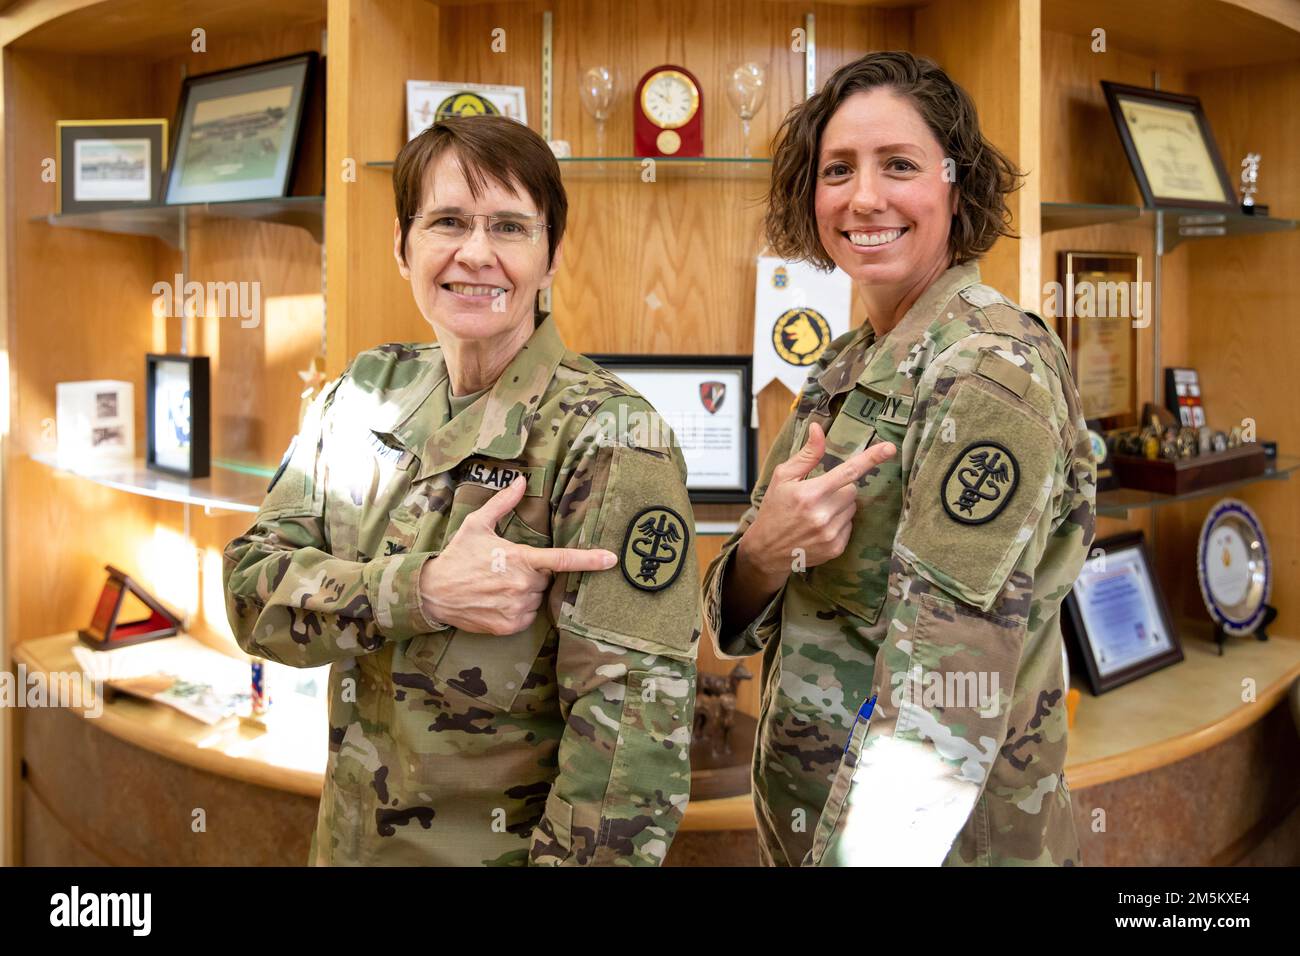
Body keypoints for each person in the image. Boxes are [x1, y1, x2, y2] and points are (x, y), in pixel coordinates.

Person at [224, 116, 700, 866]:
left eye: (509, 226)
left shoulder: (611, 440)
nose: (475, 253)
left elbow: (630, 756)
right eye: (447, 221)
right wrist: (424, 593)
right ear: (401, 245)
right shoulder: (361, 393)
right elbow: (251, 599)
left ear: (551, 257)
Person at [702, 52, 1095, 866]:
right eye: (837, 169)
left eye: (900, 166)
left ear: (957, 186)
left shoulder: (991, 376)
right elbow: (733, 617)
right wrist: (765, 554)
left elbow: (940, 709)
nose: (864, 198)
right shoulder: (848, 366)